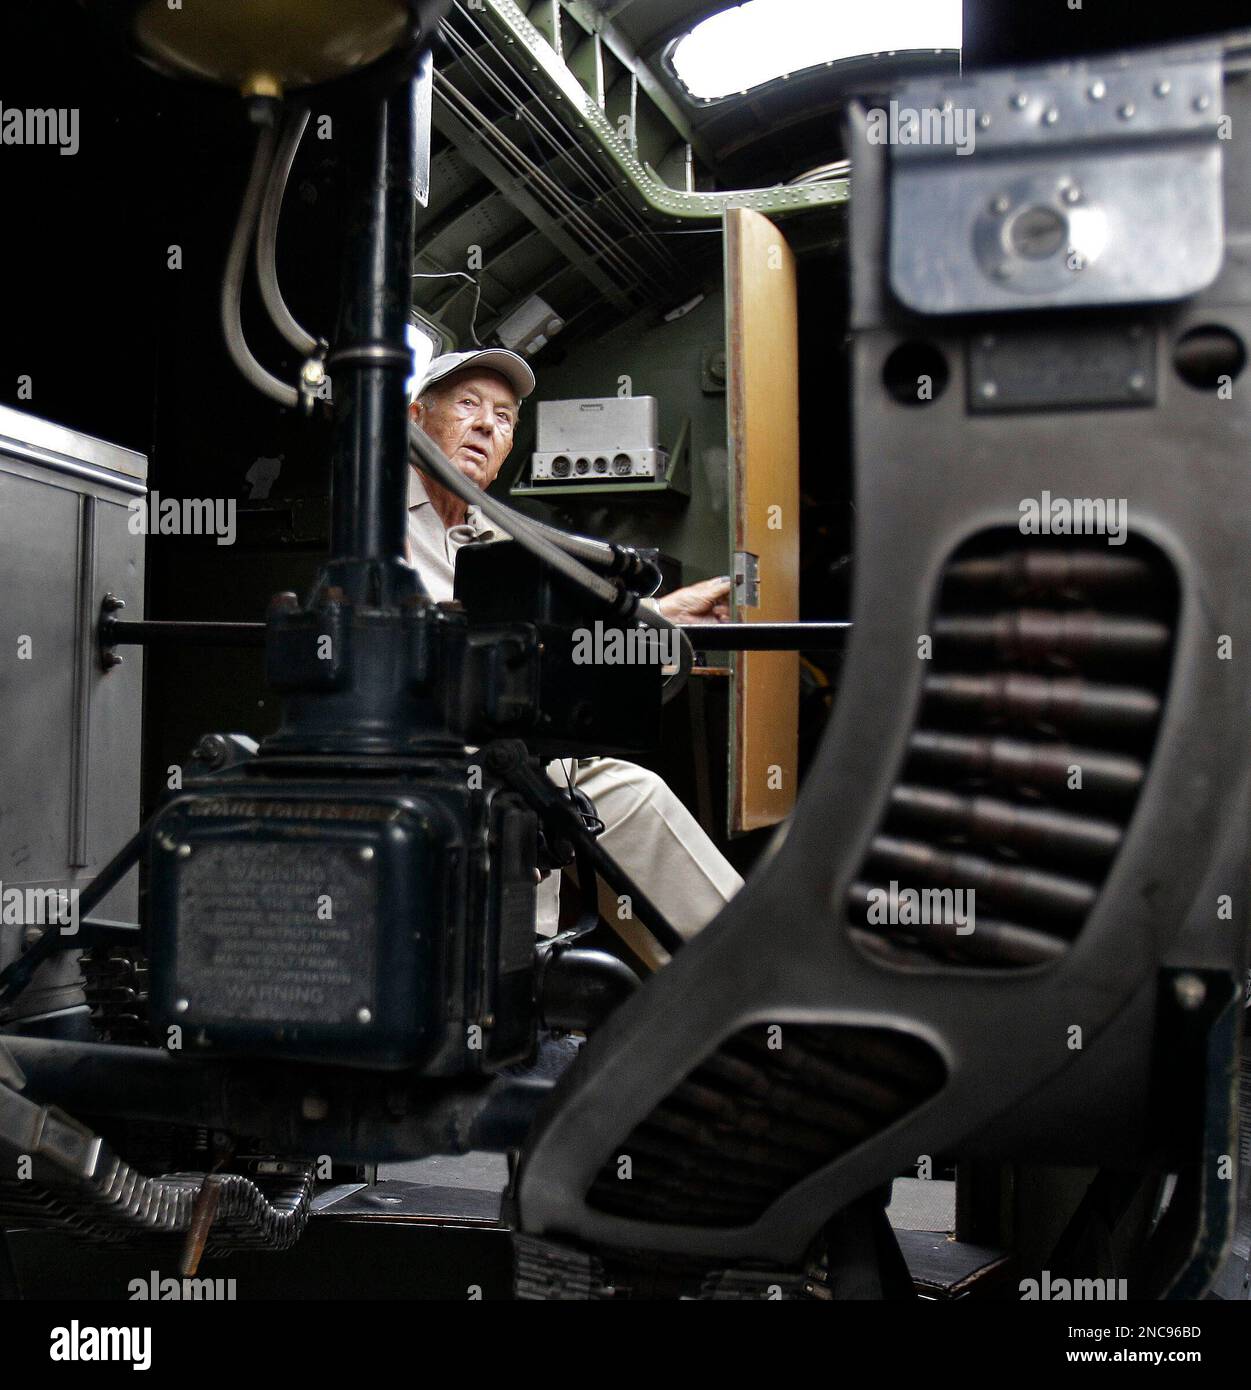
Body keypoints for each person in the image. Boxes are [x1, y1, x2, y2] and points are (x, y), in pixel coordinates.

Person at [406, 346, 742, 955]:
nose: (487, 424)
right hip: (425, 761)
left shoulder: (504, 536)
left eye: (505, 417)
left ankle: (743, 989)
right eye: (468, 405)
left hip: (517, 755)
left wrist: (664, 618)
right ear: (415, 418)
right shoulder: (370, 521)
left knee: (629, 791)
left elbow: (560, 645)